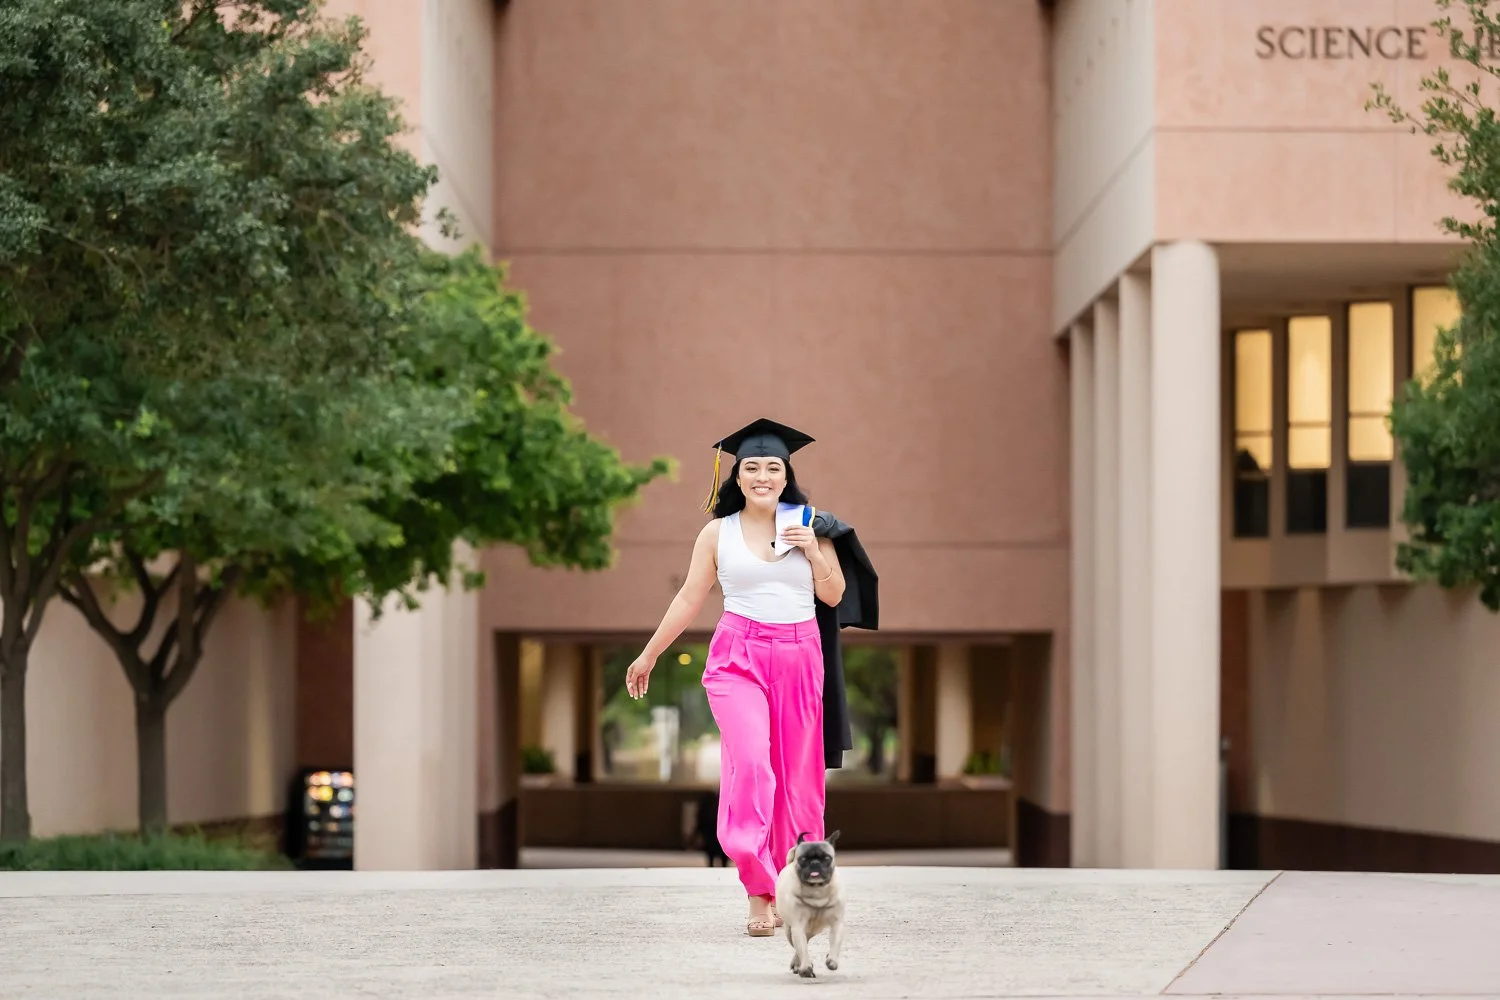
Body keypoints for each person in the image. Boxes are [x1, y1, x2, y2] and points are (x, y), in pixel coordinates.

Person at [627, 418, 870, 938]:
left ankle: (790, 887)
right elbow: (689, 596)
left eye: (773, 468)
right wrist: (649, 654)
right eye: (752, 468)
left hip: (800, 657)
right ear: (737, 477)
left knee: (798, 783)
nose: (762, 476)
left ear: (786, 475)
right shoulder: (718, 533)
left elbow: (832, 594)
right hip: (737, 657)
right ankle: (759, 892)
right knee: (754, 765)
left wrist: (812, 549)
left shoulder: (810, 524)